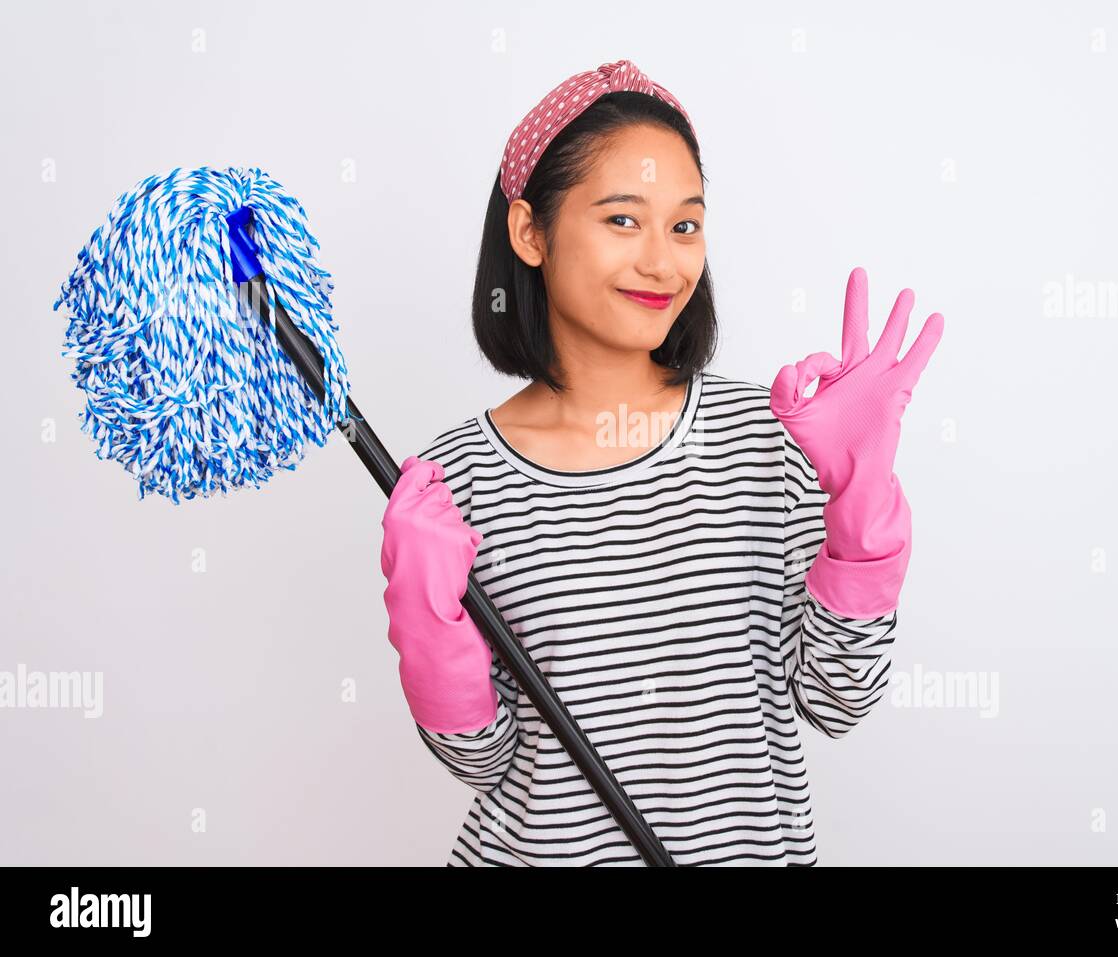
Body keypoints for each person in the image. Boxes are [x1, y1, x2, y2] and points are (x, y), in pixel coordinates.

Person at [378, 59, 944, 866]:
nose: (663, 262)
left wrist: (861, 510)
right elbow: (483, 761)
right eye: (621, 220)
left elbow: (836, 700)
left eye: (684, 225)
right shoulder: (451, 484)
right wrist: (426, 625)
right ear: (529, 232)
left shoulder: (771, 437)